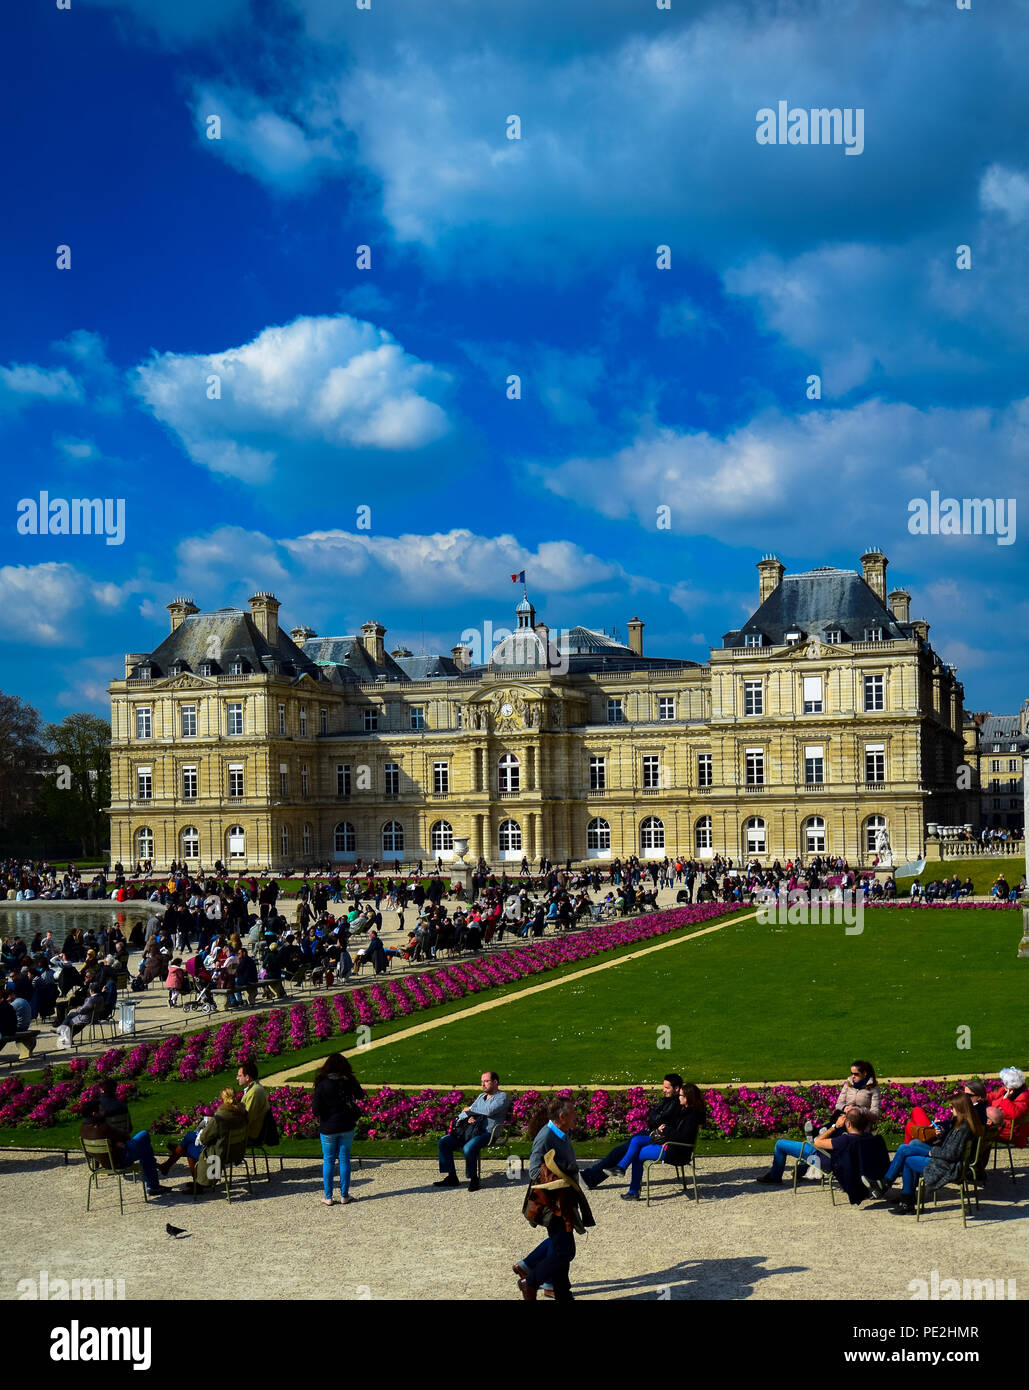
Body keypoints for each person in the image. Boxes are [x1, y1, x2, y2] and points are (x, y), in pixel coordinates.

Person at [515, 1096, 594, 1302]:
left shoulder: (561, 1133)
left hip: (564, 1200)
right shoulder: (546, 1137)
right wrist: (560, 1176)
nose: (577, 1117)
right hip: (552, 1203)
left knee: (562, 1250)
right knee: (564, 1252)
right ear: (562, 1117)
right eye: (574, 1113)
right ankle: (530, 1282)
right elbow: (533, 1170)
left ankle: (562, 1294)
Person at [580, 1074, 683, 1189]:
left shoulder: (676, 1103)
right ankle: (591, 1177)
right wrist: (654, 1116)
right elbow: (652, 1115)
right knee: (618, 1152)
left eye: (667, 1088)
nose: (664, 1090)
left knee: (618, 1152)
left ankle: (590, 1177)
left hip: (658, 1136)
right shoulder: (668, 1100)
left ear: (677, 1088)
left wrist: (655, 1117)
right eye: (664, 1087)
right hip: (651, 1132)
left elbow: (657, 1118)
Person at [887, 1094, 985, 1214]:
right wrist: (942, 1134)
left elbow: (950, 1154)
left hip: (949, 1166)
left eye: (951, 1108)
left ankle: (897, 1192)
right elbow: (952, 1148)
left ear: (960, 1108)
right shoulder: (964, 1124)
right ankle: (901, 1196)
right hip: (949, 1161)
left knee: (906, 1155)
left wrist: (931, 1152)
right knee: (913, 1144)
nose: (950, 1110)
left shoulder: (963, 1129)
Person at [621, 1084, 707, 1200]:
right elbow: (676, 1130)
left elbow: (683, 1138)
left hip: (676, 1152)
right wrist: (664, 1128)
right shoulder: (685, 1111)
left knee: (637, 1154)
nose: (678, 1097)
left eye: (680, 1095)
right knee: (637, 1141)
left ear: (687, 1097)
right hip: (669, 1145)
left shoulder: (691, 1116)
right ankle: (622, 1168)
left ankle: (633, 1191)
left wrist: (666, 1130)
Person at [159, 1087, 249, 1189]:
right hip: (237, 1152)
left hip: (219, 1155)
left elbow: (204, 1138)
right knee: (189, 1140)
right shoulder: (243, 1113)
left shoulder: (221, 1117)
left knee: (189, 1146)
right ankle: (170, 1162)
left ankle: (197, 1185)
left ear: (223, 1099)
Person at [80, 1098, 169, 1198]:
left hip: (105, 1163)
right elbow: (126, 1136)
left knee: (145, 1149)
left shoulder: (83, 1129)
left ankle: (154, 1186)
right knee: (144, 1137)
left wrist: (117, 1143)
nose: (103, 1112)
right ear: (94, 1114)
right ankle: (153, 1186)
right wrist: (119, 1143)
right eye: (101, 1110)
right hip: (121, 1159)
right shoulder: (103, 1127)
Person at [435, 1071, 508, 1192]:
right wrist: (468, 1116)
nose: (483, 1084)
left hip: (488, 1133)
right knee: (444, 1141)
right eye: (482, 1082)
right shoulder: (481, 1097)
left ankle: (474, 1178)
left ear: (495, 1082)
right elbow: (463, 1113)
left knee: (468, 1148)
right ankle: (452, 1177)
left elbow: (489, 1110)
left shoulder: (502, 1097)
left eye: (486, 1081)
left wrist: (471, 1109)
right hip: (470, 1131)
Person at [312, 1052, 365, 1205]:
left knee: (328, 1160)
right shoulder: (348, 1080)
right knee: (344, 1159)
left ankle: (328, 1197)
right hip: (347, 1124)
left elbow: (315, 1110)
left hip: (328, 1126)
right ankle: (344, 1195)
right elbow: (360, 1095)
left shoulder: (322, 1084)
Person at [238, 1059, 270, 1143]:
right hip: (249, 1132)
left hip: (250, 1135)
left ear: (247, 1077)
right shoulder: (253, 1089)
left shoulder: (254, 1092)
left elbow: (247, 1117)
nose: (237, 1078)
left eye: (240, 1076)